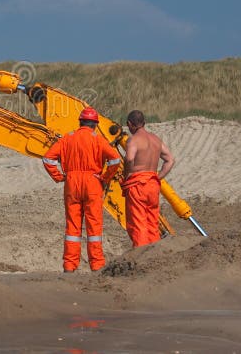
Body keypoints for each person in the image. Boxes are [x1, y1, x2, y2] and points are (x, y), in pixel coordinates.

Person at [42, 107, 122, 272]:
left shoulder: (67, 138)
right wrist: (105, 178)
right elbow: (115, 160)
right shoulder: (98, 139)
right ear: (95, 124)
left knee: (72, 227)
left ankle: (69, 266)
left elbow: (48, 159)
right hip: (93, 183)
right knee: (94, 227)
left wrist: (59, 177)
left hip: (72, 183)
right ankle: (97, 265)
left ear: (80, 122)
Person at [122, 109, 175, 247]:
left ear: (129, 124)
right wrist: (158, 177)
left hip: (138, 185)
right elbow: (170, 160)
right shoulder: (156, 139)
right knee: (152, 221)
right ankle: (153, 253)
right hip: (153, 184)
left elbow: (129, 158)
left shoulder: (133, 140)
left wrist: (127, 174)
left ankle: (141, 253)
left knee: (138, 223)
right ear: (144, 123)